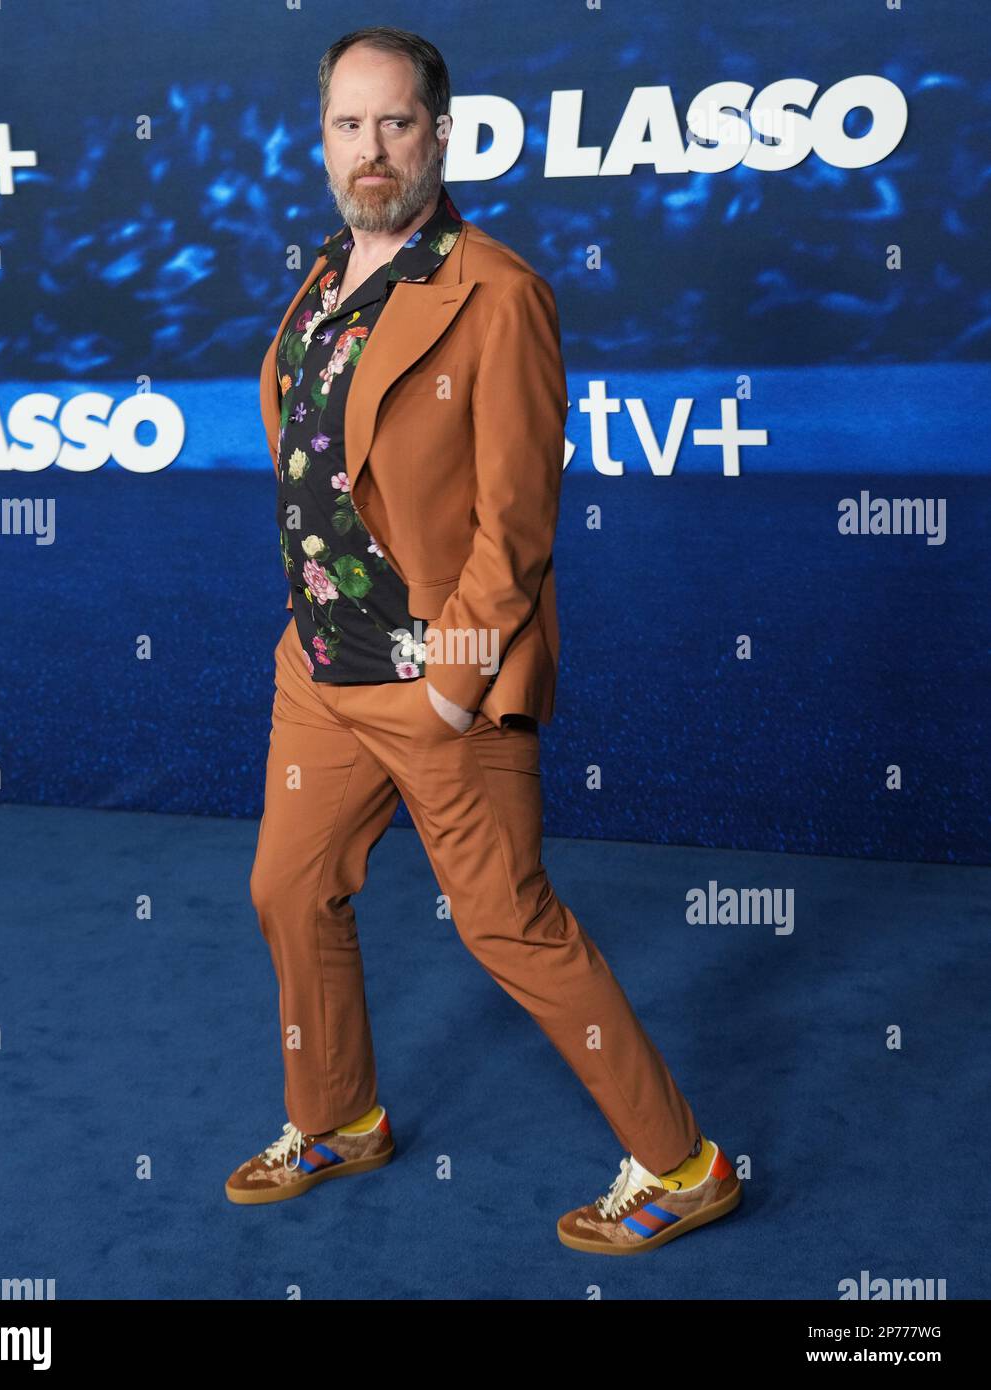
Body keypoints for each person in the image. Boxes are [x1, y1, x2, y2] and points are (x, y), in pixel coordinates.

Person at [226, 25, 741, 1255]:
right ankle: (338, 1115)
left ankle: (684, 1161)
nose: (370, 148)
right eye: (348, 126)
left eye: (394, 122)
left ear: (439, 134)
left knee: (507, 924)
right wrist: (308, 639)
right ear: (323, 141)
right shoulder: (318, 287)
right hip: (321, 673)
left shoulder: (495, 291)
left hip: (431, 681)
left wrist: (454, 686)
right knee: (288, 890)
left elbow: (516, 518)